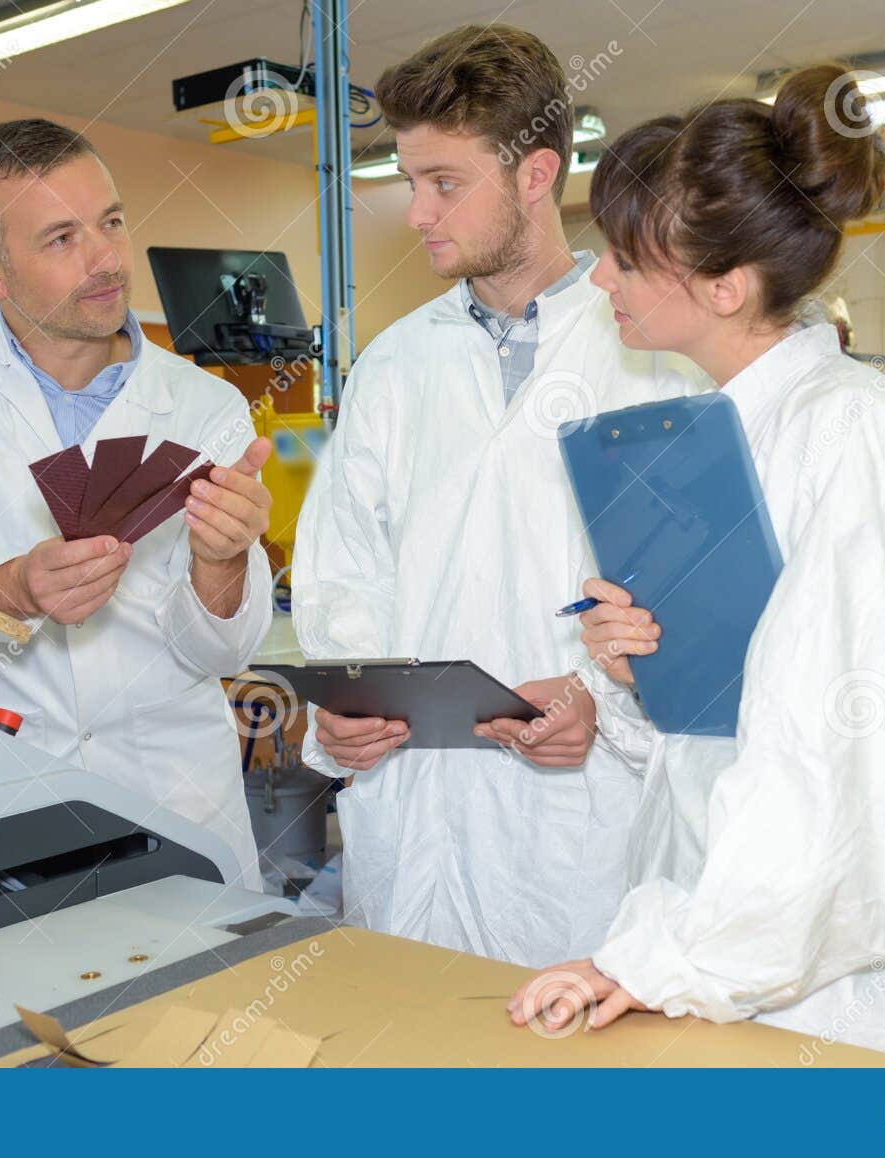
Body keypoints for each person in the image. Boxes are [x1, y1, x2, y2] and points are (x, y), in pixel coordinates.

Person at [505, 66, 885, 1066]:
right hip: (724, 931)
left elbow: (857, 768)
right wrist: (641, 672)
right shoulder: (714, 439)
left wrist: (673, 958)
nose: (598, 280)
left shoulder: (856, 440)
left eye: (624, 260)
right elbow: (723, 725)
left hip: (823, 973)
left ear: (724, 288)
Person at [292, 25, 697, 966]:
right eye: (410, 181)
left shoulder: (650, 356)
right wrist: (345, 705)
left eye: (445, 182)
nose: (416, 212)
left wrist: (604, 704)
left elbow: (694, 602)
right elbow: (342, 570)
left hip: (579, 827)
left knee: (572, 1044)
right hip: (412, 814)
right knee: (405, 1031)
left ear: (535, 174)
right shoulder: (394, 363)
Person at [0, 119, 274, 889]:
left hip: (173, 797)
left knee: (194, 968)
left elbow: (222, 656)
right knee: (7, 966)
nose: (106, 259)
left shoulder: (203, 406)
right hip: (1, 783)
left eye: (111, 222)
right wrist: (14, 584)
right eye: (62, 239)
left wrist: (222, 563)